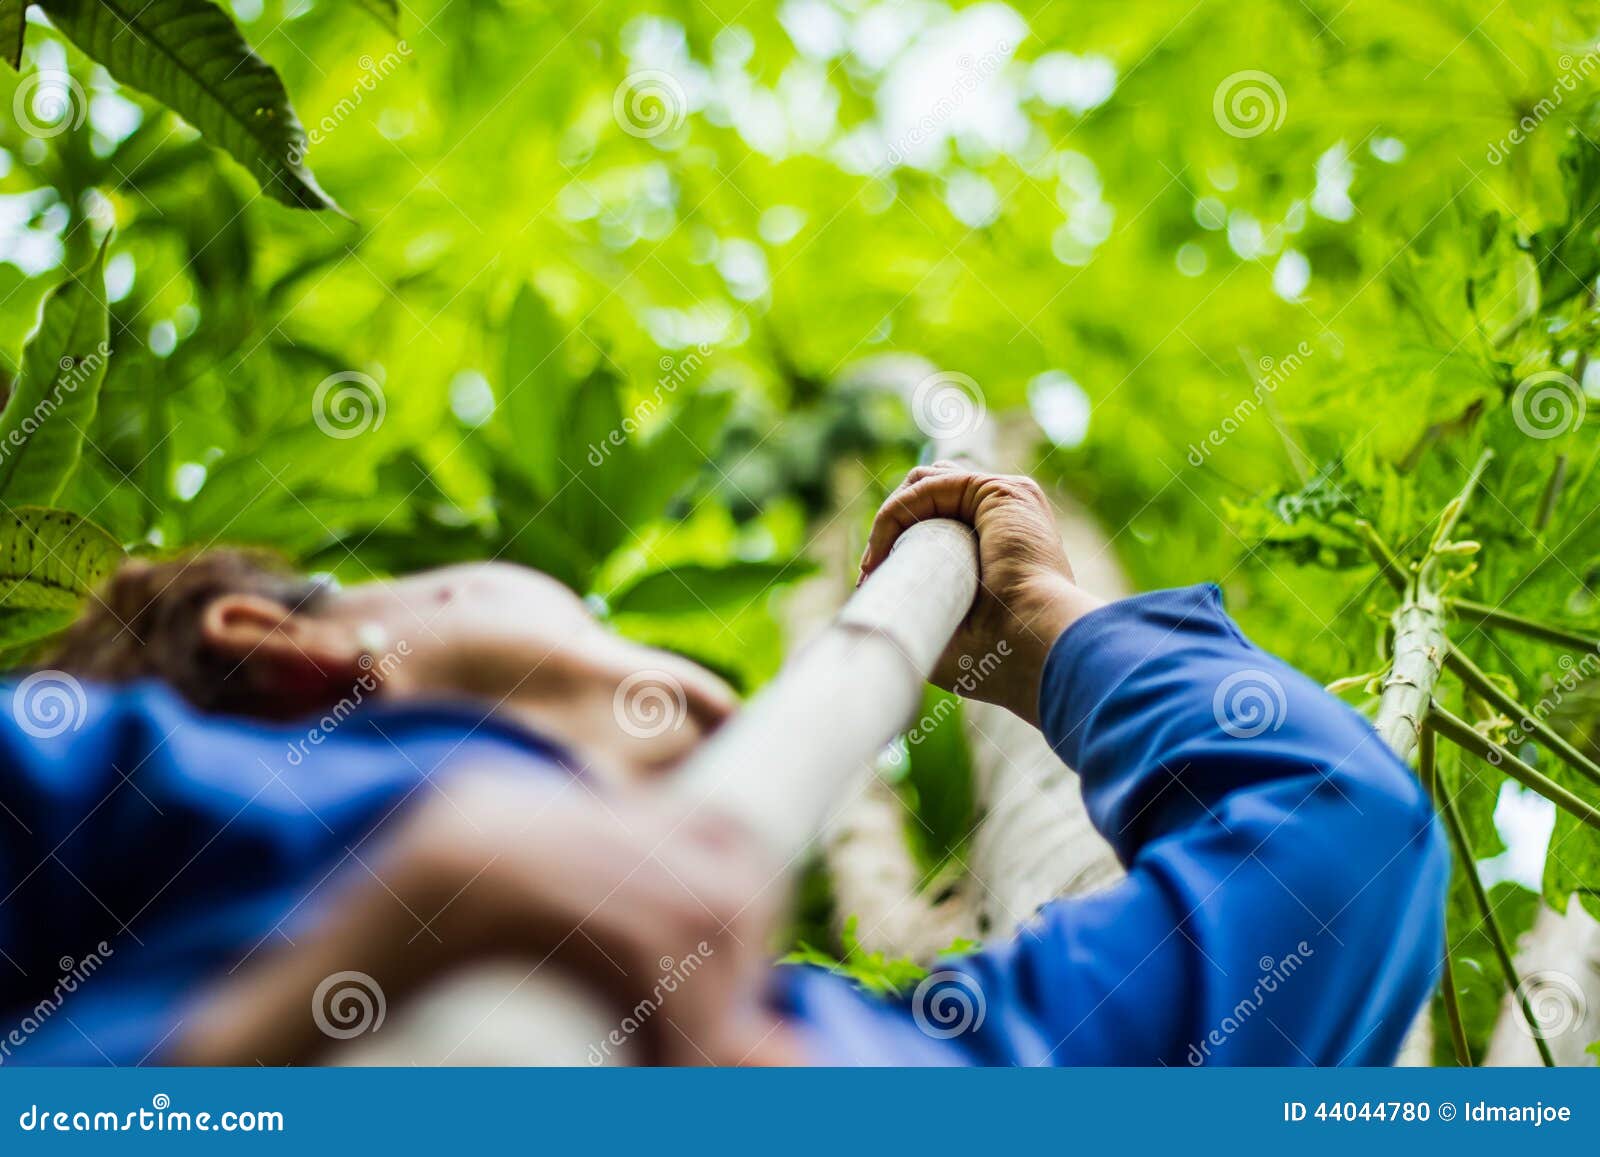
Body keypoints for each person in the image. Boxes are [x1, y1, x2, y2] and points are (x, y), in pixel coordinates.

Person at [0, 465, 1446, 1066]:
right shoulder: (129, 788)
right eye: (585, 604)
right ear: (286, 642)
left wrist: (1052, 643)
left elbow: (1343, 857)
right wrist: (267, 1026)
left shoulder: (834, 1043)